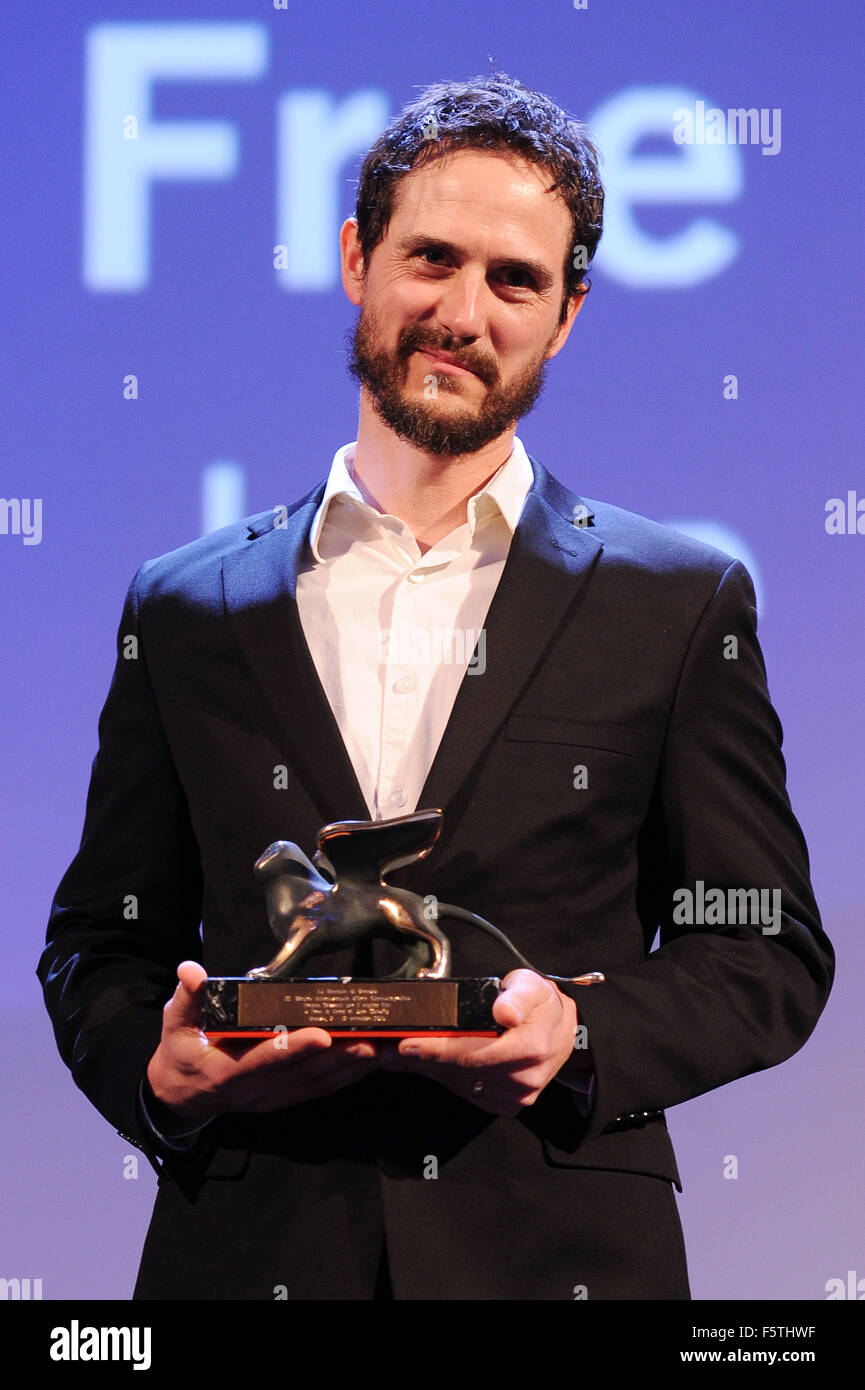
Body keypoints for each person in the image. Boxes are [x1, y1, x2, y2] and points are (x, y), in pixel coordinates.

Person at [38, 73, 833, 1301]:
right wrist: (155, 1076)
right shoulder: (184, 601)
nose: (463, 311)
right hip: (249, 1256)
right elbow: (101, 940)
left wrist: (580, 1034)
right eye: (431, 258)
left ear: (565, 314)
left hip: (559, 1258)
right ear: (357, 258)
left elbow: (762, 943)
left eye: (515, 279)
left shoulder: (676, 600)